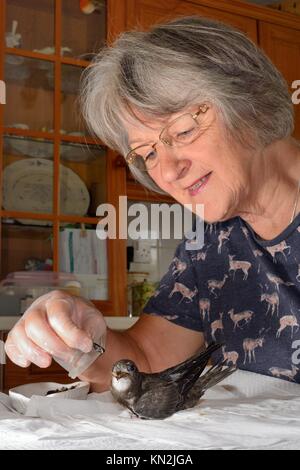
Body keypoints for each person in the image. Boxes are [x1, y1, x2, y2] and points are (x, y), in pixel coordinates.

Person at [5, 16, 300, 389]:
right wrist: (82, 338)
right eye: (147, 154)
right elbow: (147, 360)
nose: (170, 172)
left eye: (183, 131)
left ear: (250, 103)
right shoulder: (210, 243)